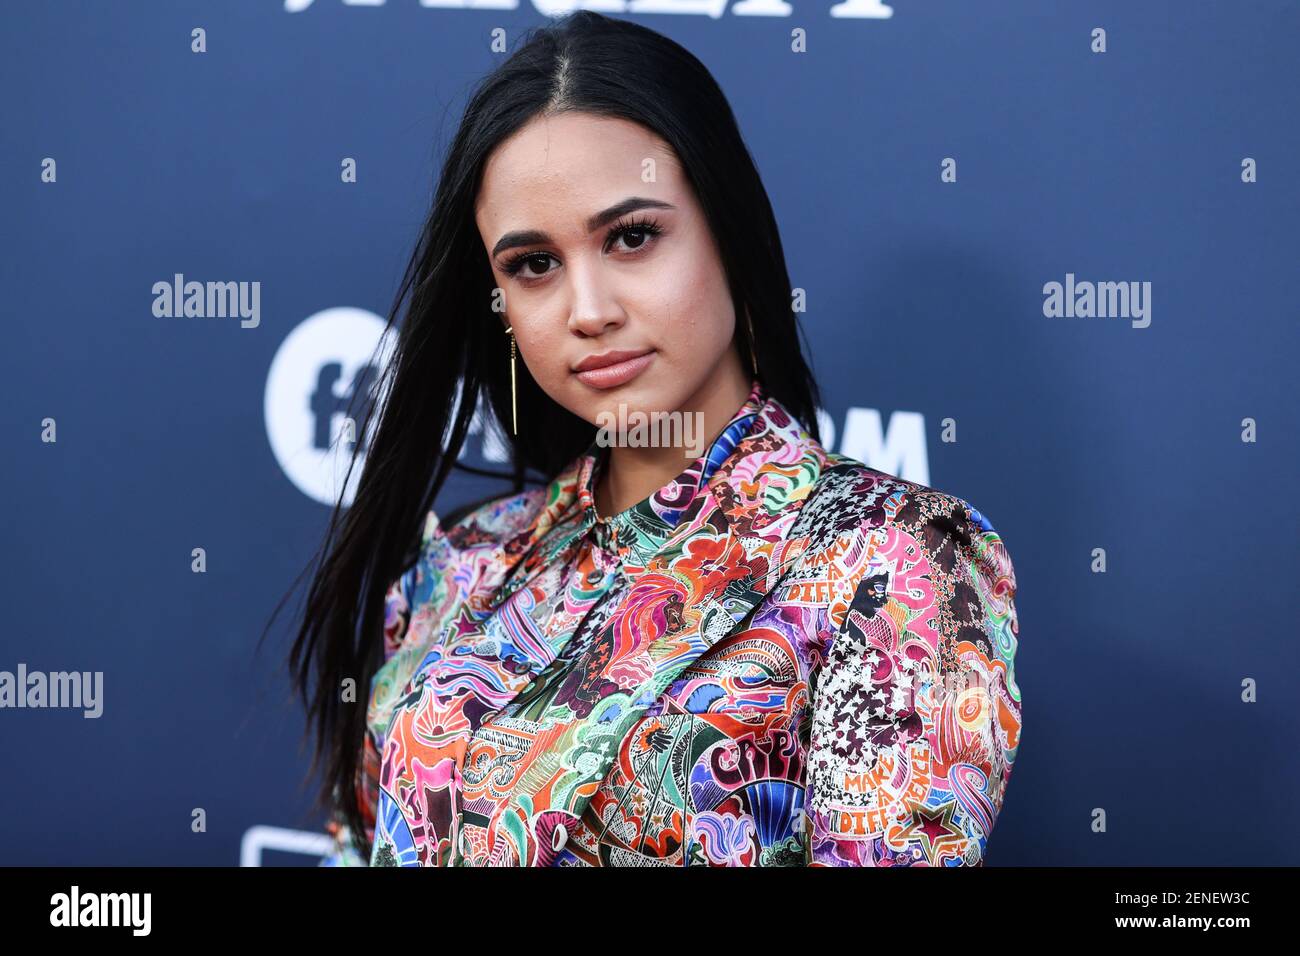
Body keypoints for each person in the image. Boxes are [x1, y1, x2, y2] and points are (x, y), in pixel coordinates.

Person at [288, 10, 1021, 867]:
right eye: (533, 265)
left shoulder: (890, 564)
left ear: (729, 236)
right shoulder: (458, 568)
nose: (588, 309)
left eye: (632, 238)